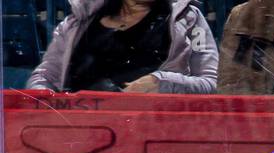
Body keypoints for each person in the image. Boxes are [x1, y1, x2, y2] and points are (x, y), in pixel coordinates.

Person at [26, 0, 216, 93]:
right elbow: (44, 77)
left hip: (153, 134)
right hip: (77, 133)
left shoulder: (188, 18)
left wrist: (161, 82)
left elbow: (211, 83)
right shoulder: (77, 23)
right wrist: (45, 105)